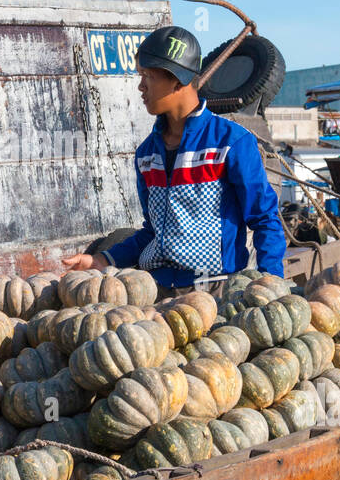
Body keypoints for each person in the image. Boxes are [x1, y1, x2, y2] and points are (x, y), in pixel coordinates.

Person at [61, 25, 287, 295]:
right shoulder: (147, 154)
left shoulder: (231, 143)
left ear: (178, 79)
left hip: (214, 291)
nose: (140, 86)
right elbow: (152, 232)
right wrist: (101, 260)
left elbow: (264, 219)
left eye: (149, 76)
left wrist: (272, 284)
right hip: (154, 291)